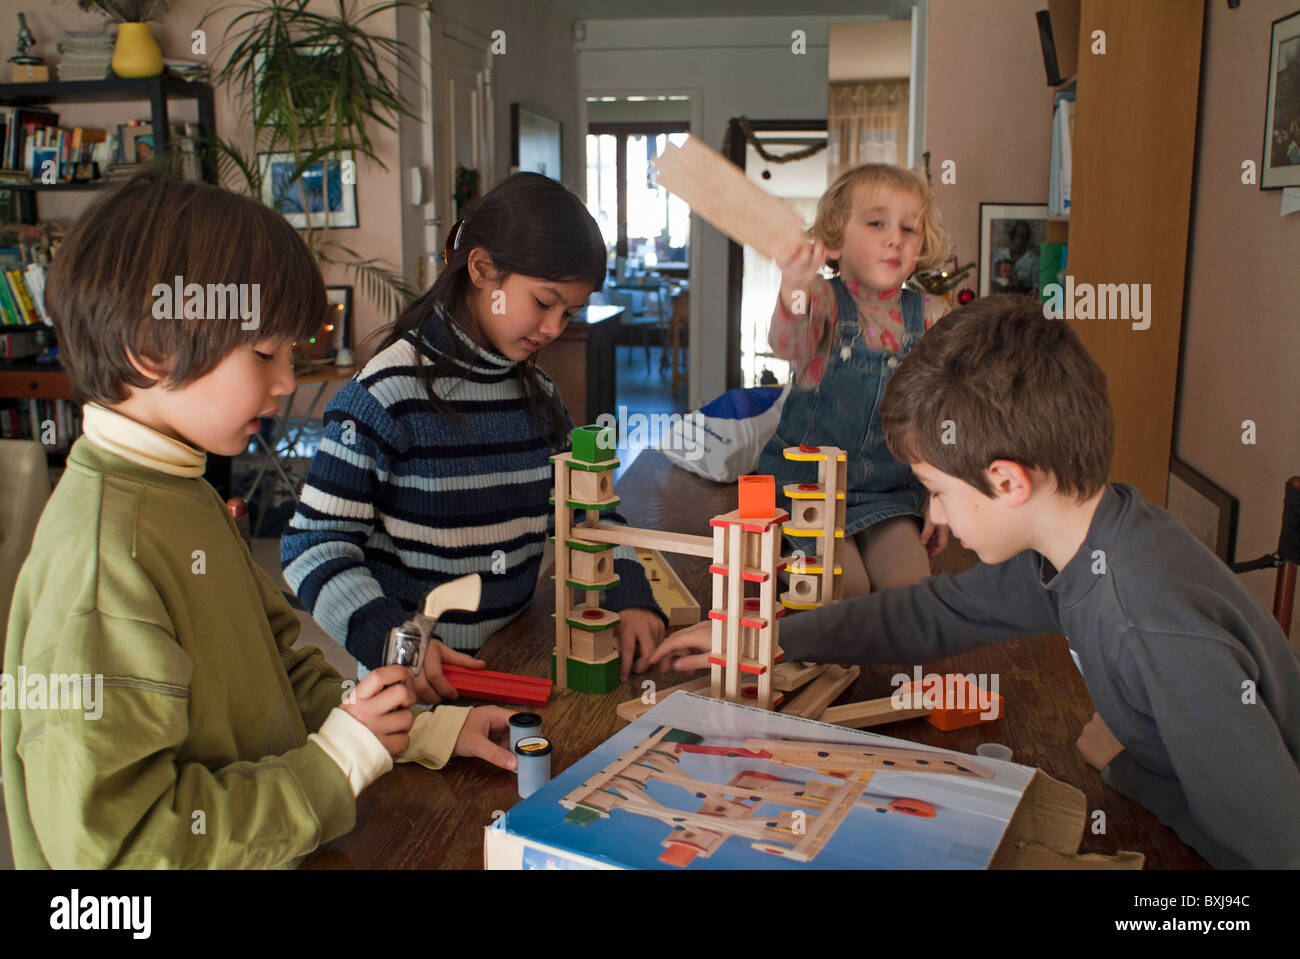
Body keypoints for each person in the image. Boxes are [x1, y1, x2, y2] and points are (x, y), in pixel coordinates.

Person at [652, 295, 1300, 869]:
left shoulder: (1146, 617)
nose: (931, 514)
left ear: (1009, 480)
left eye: (935, 490)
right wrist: (767, 637)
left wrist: (1130, 769)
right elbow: (932, 612)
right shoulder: (1078, 543)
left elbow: (1275, 847)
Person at [1, 171, 515, 869]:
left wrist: (420, 730)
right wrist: (337, 760)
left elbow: (282, 675)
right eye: (265, 353)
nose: (284, 381)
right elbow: (117, 855)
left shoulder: (183, 490)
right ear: (150, 350)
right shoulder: (101, 564)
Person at [281, 172, 666, 701]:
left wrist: (632, 594)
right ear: (482, 269)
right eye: (544, 302)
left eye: (569, 312)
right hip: (418, 688)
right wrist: (398, 644)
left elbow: (587, 508)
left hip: (517, 654)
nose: (555, 328)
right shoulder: (382, 397)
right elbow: (313, 546)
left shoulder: (540, 396)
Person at [756, 163, 953, 599]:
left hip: (889, 493)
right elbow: (786, 343)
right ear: (835, 236)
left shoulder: (934, 315)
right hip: (805, 488)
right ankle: (774, 548)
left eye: (909, 228)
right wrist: (794, 287)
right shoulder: (824, 300)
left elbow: (947, 415)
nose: (895, 238)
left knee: (910, 594)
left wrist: (941, 494)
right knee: (846, 591)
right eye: (877, 222)